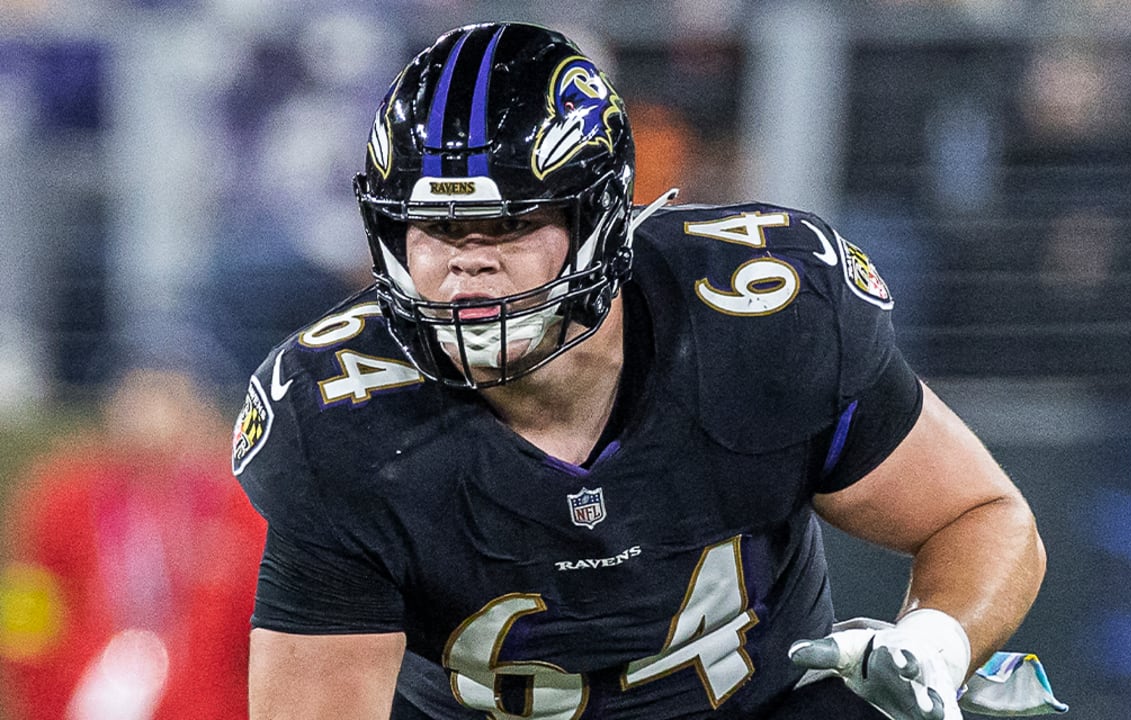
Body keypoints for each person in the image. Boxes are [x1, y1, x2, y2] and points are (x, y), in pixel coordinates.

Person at [233, 22, 1047, 720]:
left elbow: (981, 515)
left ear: (601, 217)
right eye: (436, 228)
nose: (462, 268)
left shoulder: (764, 322)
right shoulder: (339, 421)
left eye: (507, 224)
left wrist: (936, 644)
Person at [0, 367, 265, 720]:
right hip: (82, 699)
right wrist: (48, 703)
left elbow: (261, 633)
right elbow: (26, 618)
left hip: (207, 705)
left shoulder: (240, 510)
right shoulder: (62, 501)